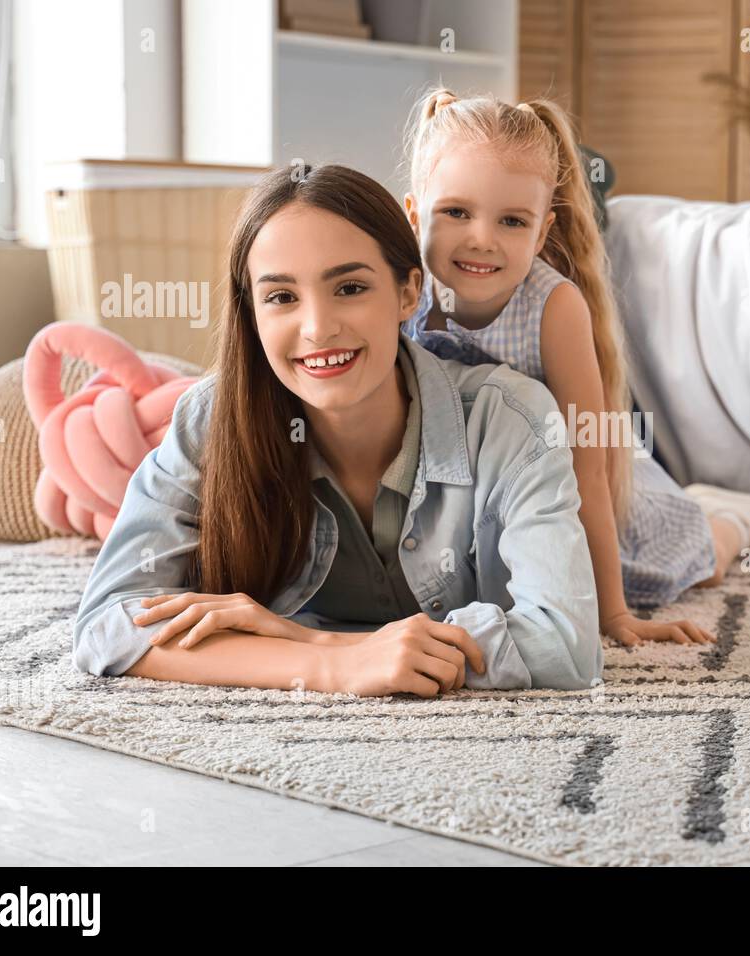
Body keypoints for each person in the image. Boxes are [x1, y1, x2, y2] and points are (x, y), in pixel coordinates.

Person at [71, 163, 604, 697]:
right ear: (252, 314)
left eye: (349, 287)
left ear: (407, 293)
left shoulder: (511, 418)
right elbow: (108, 626)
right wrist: (334, 666)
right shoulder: (208, 419)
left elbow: (566, 646)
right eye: (281, 297)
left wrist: (308, 640)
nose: (318, 327)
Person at [399, 88, 750, 647]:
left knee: (679, 566)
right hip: (480, 498)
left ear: (542, 232)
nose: (483, 239)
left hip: (575, 485)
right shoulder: (401, 293)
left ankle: (734, 521)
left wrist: (614, 615)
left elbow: (589, 469)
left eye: (512, 221)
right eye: (456, 212)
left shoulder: (552, 308)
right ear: (413, 213)